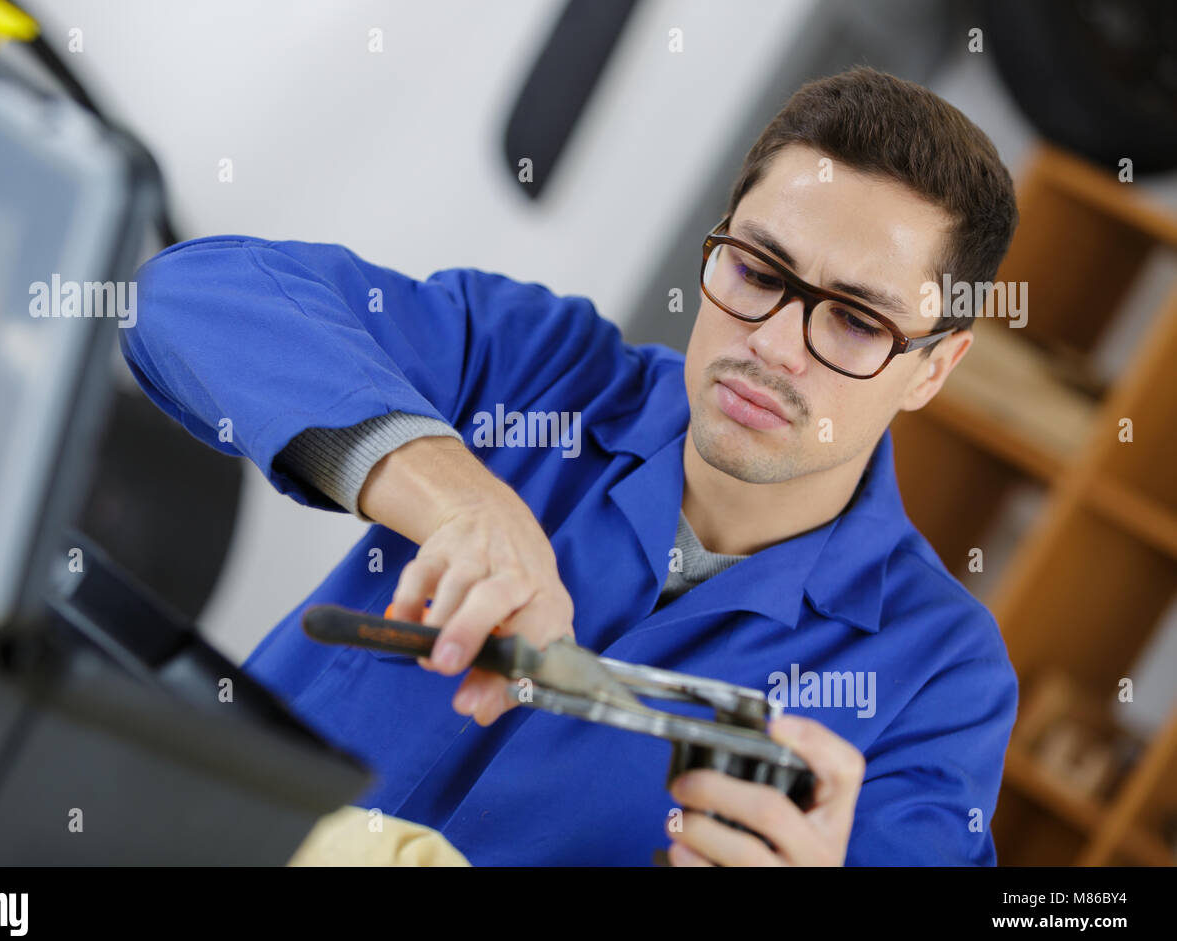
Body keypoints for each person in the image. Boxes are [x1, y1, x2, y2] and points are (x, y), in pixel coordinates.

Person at [121, 67, 1020, 866]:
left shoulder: (943, 681)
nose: (776, 344)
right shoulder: (537, 370)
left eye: (857, 322)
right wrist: (457, 498)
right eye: (756, 269)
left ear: (933, 366)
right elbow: (188, 297)